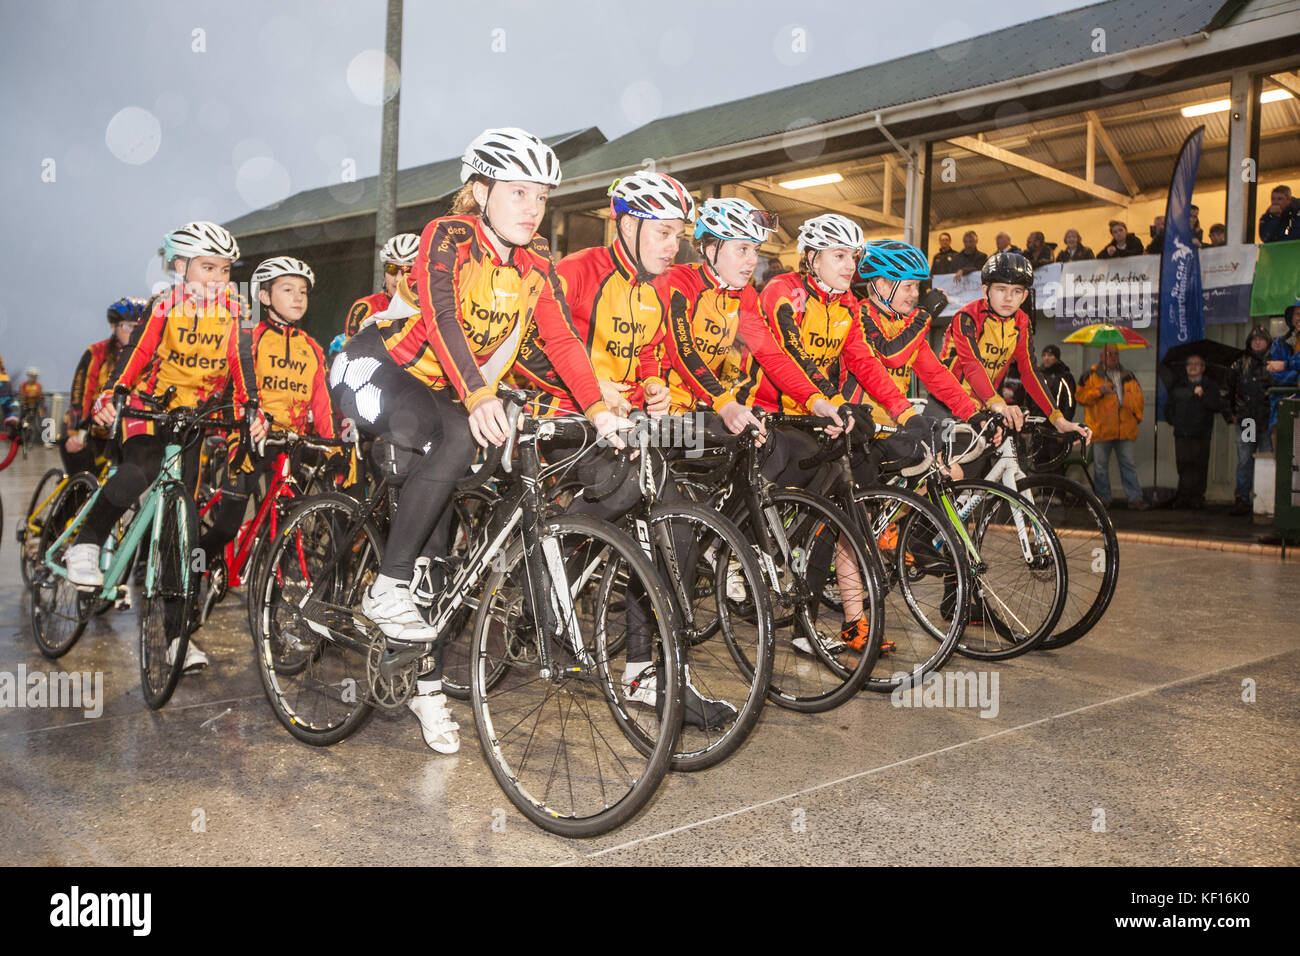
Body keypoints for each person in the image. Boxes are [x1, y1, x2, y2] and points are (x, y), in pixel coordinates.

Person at [329, 127, 625, 753]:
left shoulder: (537, 263)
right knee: (458, 433)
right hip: (377, 371)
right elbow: (439, 317)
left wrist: (598, 409)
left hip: (445, 394)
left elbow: (563, 342)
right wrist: (481, 394)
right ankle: (385, 584)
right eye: (517, 192)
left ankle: (423, 682)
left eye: (541, 197)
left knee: (443, 545)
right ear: (481, 191)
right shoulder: (450, 236)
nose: (531, 207)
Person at [69, 221, 262, 674]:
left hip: (192, 420)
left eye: (225, 269)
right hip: (147, 408)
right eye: (207, 267)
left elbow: (242, 358)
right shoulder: (165, 304)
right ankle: (86, 543)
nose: (218, 278)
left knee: (185, 534)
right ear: (180, 266)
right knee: (139, 471)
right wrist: (116, 391)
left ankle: (177, 638)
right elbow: (137, 353)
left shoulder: (237, 307)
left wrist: (251, 404)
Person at [757, 218, 940, 655]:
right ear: (812, 257)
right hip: (770, 413)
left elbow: (864, 362)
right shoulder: (783, 292)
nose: (850, 265)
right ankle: (742, 560)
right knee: (779, 511)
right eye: (839, 256)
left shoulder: (847, 307)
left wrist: (902, 410)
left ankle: (822, 624)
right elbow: (791, 353)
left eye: (854, 257)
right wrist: (831, 400)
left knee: (834, 519)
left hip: (818, 415)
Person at [197, 256, 337, 615]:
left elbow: (321, 404)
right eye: (287, 290)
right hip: (246, 441)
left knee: (283, 531)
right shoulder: (251, 339)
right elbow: (235, 389)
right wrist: (246, 419)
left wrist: (334, 443)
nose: (297, 298)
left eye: (303, 291)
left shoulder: (312, 348)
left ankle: (270, 615)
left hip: (287, 444)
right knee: (228, 522)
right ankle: (193, 568)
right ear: (263, 297)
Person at [938, 252, 1091, 448]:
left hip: (985, 407)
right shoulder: (966, 317)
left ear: (1025, 296)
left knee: (987, 472)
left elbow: (1029, 371)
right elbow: (972, 365)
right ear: (986, 290)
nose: (1009, 298)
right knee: (957, 475)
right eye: (1001, 289)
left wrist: (1058, 419)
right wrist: (998, 403)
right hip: (947, 404)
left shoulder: (1021, 322)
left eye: (1017, 291)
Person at [63, 298, 145, 474]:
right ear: (113, 327)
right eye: (127, 326)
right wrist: (76, 432)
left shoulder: (146, 359)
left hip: (119, 433)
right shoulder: (97, 353)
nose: (133, 333)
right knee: (83, 485)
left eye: (138, 327)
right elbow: (81, 393)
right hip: (85, 428)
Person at [1075, 343, 1147, 509]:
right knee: (1100, 466)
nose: (1113, 357)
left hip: (1124, 428)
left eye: (1115, 354)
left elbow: (1138, 398)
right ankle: (1103, 500)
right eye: (1109, 354)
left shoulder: (1128, 375)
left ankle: (1135, 498)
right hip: (1101, 429)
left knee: (1128, 464)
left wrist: (1137, 417)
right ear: (1102, 357)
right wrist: (1099, 391)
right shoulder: (1090, 375)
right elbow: (1080, 397)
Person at [1164, 353, 1226, 509]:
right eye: (1189, 364)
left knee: (1199, 465)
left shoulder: (1209, 385)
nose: (1192, 366)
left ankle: (1197, 497)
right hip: (1182, 432)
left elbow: (1216, 405)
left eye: (1197, 364)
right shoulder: (1178, 385)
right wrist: (1175, 421)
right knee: (1183, 464)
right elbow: (1169, 407)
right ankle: (1183, 496)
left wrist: (1202, 395)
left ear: (1203, 368)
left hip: (1201, 433)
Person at [1226, 326, 1274, 515]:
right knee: (1245, 459)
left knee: (1267, 458)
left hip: (1267, 420)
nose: (1257, 342)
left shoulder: (1274, 363)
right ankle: (1242, 498)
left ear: (1267, 342)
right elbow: (1227, 391)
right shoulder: (1238, 364)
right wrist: (1230, 414)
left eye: (1261, 339)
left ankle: (1265, 499)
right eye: (1254, 339)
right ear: (1249, 342)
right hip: (1247, 421)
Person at [343, 232, 419, 337]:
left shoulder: (434, 308)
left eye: (407, 271)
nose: (398, 279)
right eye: (391, 269)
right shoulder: (364, 308)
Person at [1266, 300, 1300, 445]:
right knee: (1282, 459)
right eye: (1297, 314)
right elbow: (1272, 373)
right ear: (1291, 318)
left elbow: (1280, 367)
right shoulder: (1279, 343)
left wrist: (1285, 365)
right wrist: (1297, 375)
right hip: (1281, 409)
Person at [1039, 344, 1076, 421]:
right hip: (1038, 420)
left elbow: (1070, 401)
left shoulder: (1065, 376)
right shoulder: (1039, 375)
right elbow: (1029, 397)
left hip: (1057, 421)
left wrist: (1065, 420)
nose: (1046, 358)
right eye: (1044, 355)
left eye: (1050, 355)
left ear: (1057, 358)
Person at [19, 367, 46, 440]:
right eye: (31, 376)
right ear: (28, 376)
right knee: (22, 420)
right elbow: (23, 395)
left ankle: (41, 438)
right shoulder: (24, 384)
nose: (33, 378)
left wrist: (31, 395)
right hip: (25, 405)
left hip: (35, 406)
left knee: (39, 420)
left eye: (35, 376)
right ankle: (20, 436)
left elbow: (39, 395)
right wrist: (31, 396)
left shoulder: (38, 385)